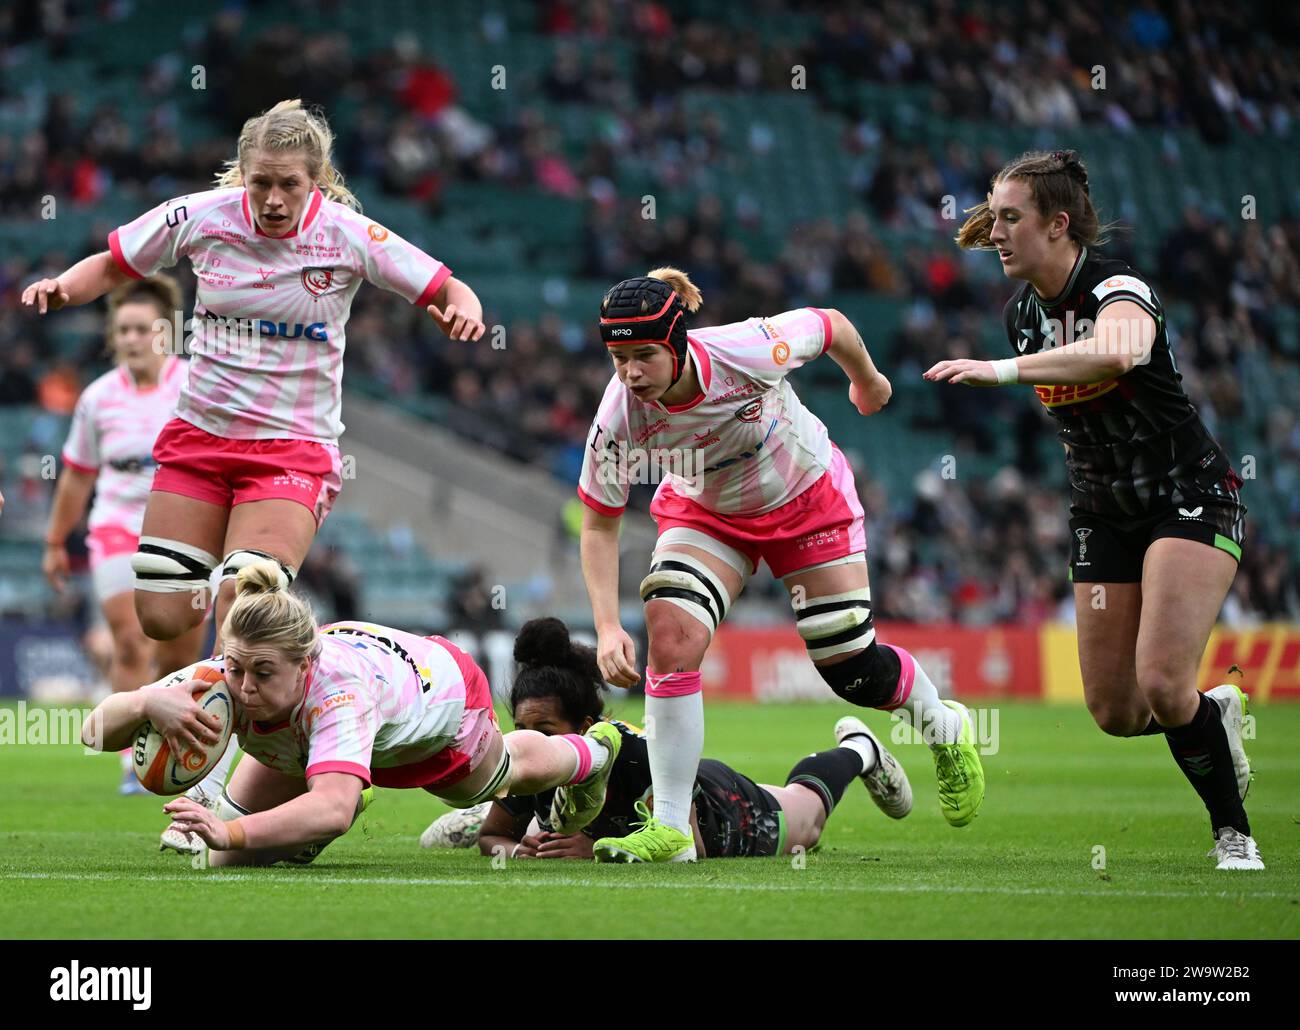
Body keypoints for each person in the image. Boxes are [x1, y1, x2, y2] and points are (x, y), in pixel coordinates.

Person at [21, 98, 485, 656]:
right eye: (260, 182)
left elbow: (446, 286)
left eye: (288, 184)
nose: (272, 199)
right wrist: (63, 287)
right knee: (163, 617)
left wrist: (465, 309)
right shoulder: (200, 216)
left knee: (244, 601)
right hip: (199, 440)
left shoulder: (348, 234)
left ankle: (271, 701)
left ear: (314, 181)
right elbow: (114, 264)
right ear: (243, 175)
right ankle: (241, 676)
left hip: (291, 449)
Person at [576, 266, 985, 863]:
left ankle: (944, 729)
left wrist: (867, 382)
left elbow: (833, 325)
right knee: (670, 634)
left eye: (644, 355)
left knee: (850, 669)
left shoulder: (747, 350)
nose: (631, 373)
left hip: (805, 501)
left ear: (678, 342)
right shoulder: (618, 417)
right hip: (707, 515)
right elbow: (598, 523)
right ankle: (670, 827)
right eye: (618, 358)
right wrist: (609, 627)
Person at [927, 148, 1260, 871]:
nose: (997, 233)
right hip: (1103, 511)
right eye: (995, 218)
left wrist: (1001, 371)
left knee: (1165, 683)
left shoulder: (1119, 288)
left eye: (1011, 218)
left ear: (1059, 224)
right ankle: (1214, 718)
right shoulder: (1022, 314)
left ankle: (1233, 834)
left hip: (1187, 495)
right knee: (1116, 711)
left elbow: (1116, 355)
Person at [80, 561, 622, 867]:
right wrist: (143, 700)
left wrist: (233, 832)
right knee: (221, 865)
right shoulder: (229, 673)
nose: (244, 688)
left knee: (494, 778)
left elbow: (333, 810)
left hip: (438, 711)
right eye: (237, 669)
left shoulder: (336, 693)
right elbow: (91, 734)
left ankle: (594, 752)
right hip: (320, 729)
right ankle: (318, 801)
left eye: (263, 674)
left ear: (303, 664)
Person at [419, 617, 912, 860]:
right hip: (606, 813)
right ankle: (494, 812)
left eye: (544, 732)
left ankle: (859, 750)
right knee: (522, 825)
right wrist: (509, 848)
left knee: (807, 822)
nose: (528, 742)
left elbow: (687, 846)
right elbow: (493, 840)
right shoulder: (525, 765)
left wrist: (595, 848)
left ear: (587, 727)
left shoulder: (633, 756)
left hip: (722, 811)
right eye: (522, 730)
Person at [43, 275, 210, 797]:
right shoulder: (96, 398)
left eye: (142, 329)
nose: (133, 339)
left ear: (165, 333)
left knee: (183, 655)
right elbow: (77, 474)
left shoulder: (196, 385)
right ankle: (130, 757)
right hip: (115, 528)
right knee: (131, 641)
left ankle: (179, 749)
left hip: (184, 528)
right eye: (123, 330)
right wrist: (54, 542)